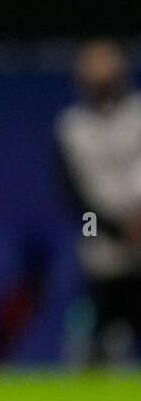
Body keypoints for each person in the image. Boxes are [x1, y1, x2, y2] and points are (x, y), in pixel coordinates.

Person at [56, 39, 141, 362]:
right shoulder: (71, 127)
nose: (101, 79)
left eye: (107, 68)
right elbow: (74, 195)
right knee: (96, 349)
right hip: (103, 256)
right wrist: (118, 229)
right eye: (93, 71)